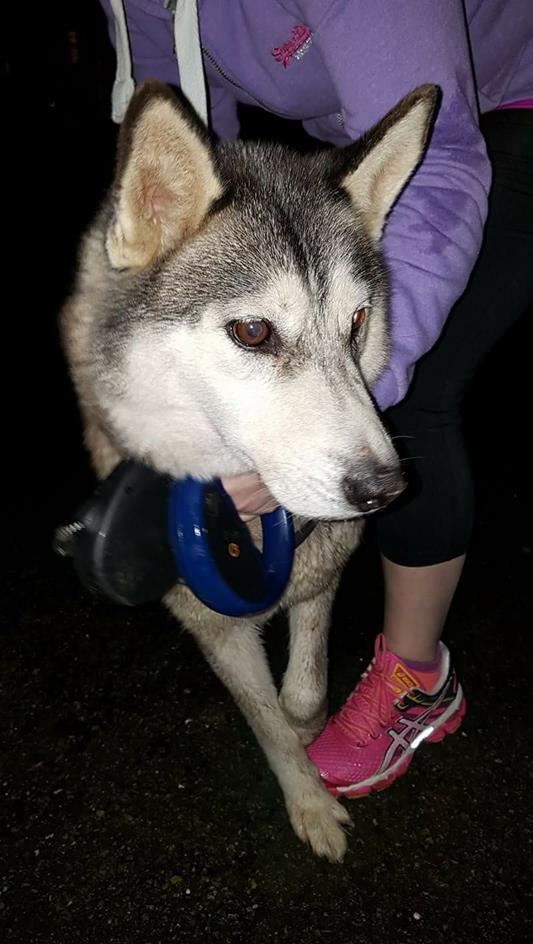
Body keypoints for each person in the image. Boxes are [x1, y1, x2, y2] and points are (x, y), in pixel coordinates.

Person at [100, 0, 533, 796]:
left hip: (509, 109)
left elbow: (437, 165)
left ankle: (418, 676)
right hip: (367, 113)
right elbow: (190, 130)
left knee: (413, 389)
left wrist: (363, 375)